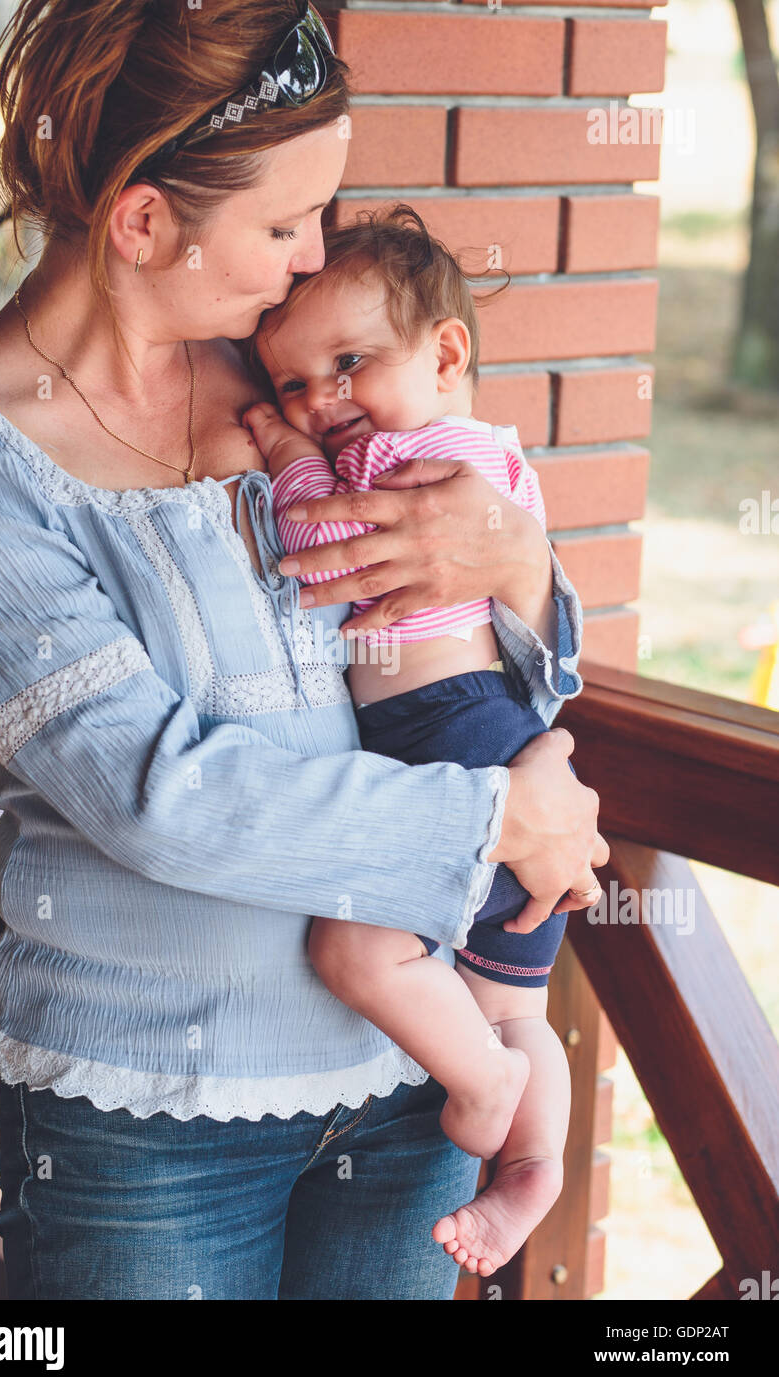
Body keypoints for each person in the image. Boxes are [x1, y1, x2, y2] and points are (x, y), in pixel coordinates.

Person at [0, 0, 606, 1299]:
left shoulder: (299, 370)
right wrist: (490, 816)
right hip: (151, 1125)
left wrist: (512, 559)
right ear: (141, 221)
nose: (306, 258)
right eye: (283, 223)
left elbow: (495, 626)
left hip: (417, 1080)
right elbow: (152, 791)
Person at [243, 204, 580, 1278]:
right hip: (472, 737)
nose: (320, 401)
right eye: (293, 383)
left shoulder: (427, 457)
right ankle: (532, 1165)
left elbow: (326, 534)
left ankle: (481, 1084)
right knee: (510, 996)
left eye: (347, 364)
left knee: (352, 949)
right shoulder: (482, 464)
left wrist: (282, 451)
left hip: (452, 736)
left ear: (445, 355)